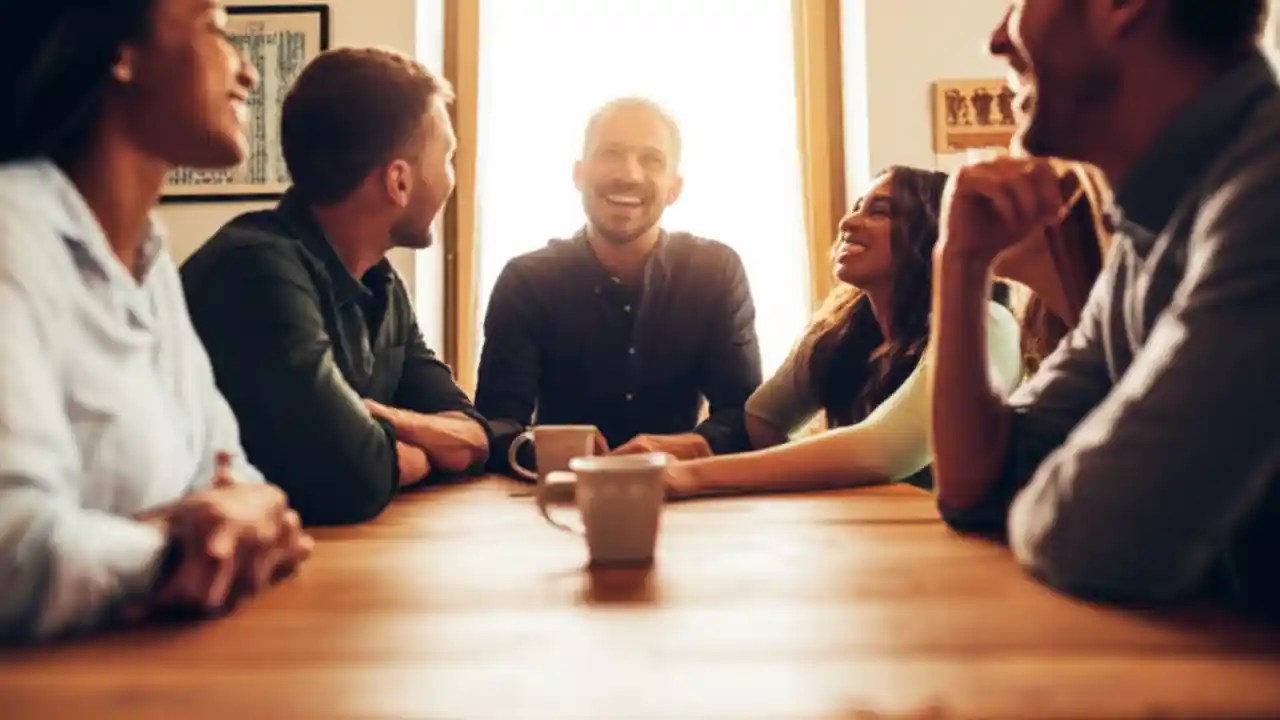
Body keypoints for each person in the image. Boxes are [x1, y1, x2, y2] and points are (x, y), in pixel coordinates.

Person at [930, 0, 1279, 611]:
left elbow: (1099, 534)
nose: (996, 39)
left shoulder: (1269, 187)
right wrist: (959, 263)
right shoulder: (1149, 226)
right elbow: (976, 485)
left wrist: (1051, 497)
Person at [0, 0, 312, 642]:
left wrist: (240, 512)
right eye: (217, 29)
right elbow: (13, 550)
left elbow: (233, 478)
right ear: (122, 52)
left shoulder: (150, 260)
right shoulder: (12, 234)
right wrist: (178, 549)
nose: (248, 74)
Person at [183, 48, 490, 526]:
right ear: (399, 182)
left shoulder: (385, 285)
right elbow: (352, 478)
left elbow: (473, 437)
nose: (453, 178)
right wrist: (418, 449)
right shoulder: (255, 270)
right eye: (448, 158)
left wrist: (380, 421)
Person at [660, 168, 1023, 498]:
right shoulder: (843, 331)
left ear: (932, 233)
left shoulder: (987, 325)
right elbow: (762, 418)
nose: (849, 221)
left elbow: (884, 449)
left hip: (974, 553)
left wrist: (689, 476)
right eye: (856, 207)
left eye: (878, 212)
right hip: (877, 543)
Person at [474, 97, 762, 475]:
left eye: (651, 160)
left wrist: (682, 448)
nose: (629, 174)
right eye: (611, 154)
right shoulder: (526, 280)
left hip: (683, 500)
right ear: (578, 175)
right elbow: (496, 425)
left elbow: (746, 415)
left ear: (674, 188)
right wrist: (554, 453)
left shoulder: (716, 270)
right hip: (552, 501)